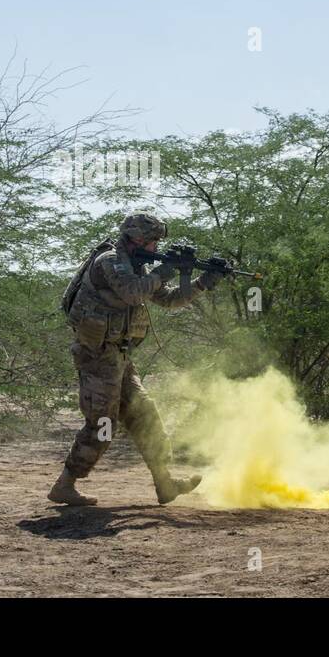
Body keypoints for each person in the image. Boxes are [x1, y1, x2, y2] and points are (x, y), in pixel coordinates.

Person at [51, 213, 225, 506]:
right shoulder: (109, 261)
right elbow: (132, 293)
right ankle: (64, 485)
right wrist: (167, 269)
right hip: (97, 357)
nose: (156, 246)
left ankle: (165, 484)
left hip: (119, 357)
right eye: (153, 240)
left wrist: (203, 282)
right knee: (103, 424)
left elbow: (170, 300)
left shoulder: (137, 265)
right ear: (136, 238)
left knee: (146, 417)